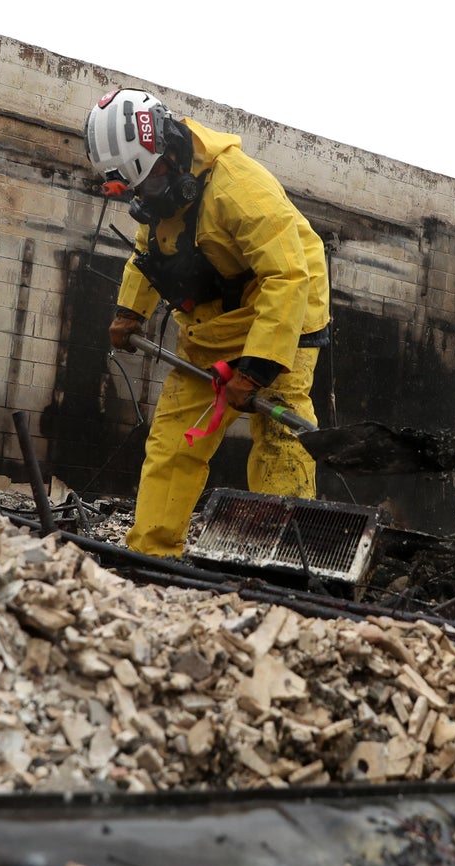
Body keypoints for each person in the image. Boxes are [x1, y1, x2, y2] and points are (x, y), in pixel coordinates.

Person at [83, 88, 331, 557]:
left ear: (170, 153)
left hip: (284, 310)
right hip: (213, 322)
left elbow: (287, 274)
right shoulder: (160, 197)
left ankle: (289, 554)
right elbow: (148, 253)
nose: (144, 198)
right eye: (135, 191)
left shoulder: (239, 187)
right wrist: (129, 311)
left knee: (280, 436)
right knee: (173, 441)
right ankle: (152, 550)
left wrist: (256, 370)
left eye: (147, 184)